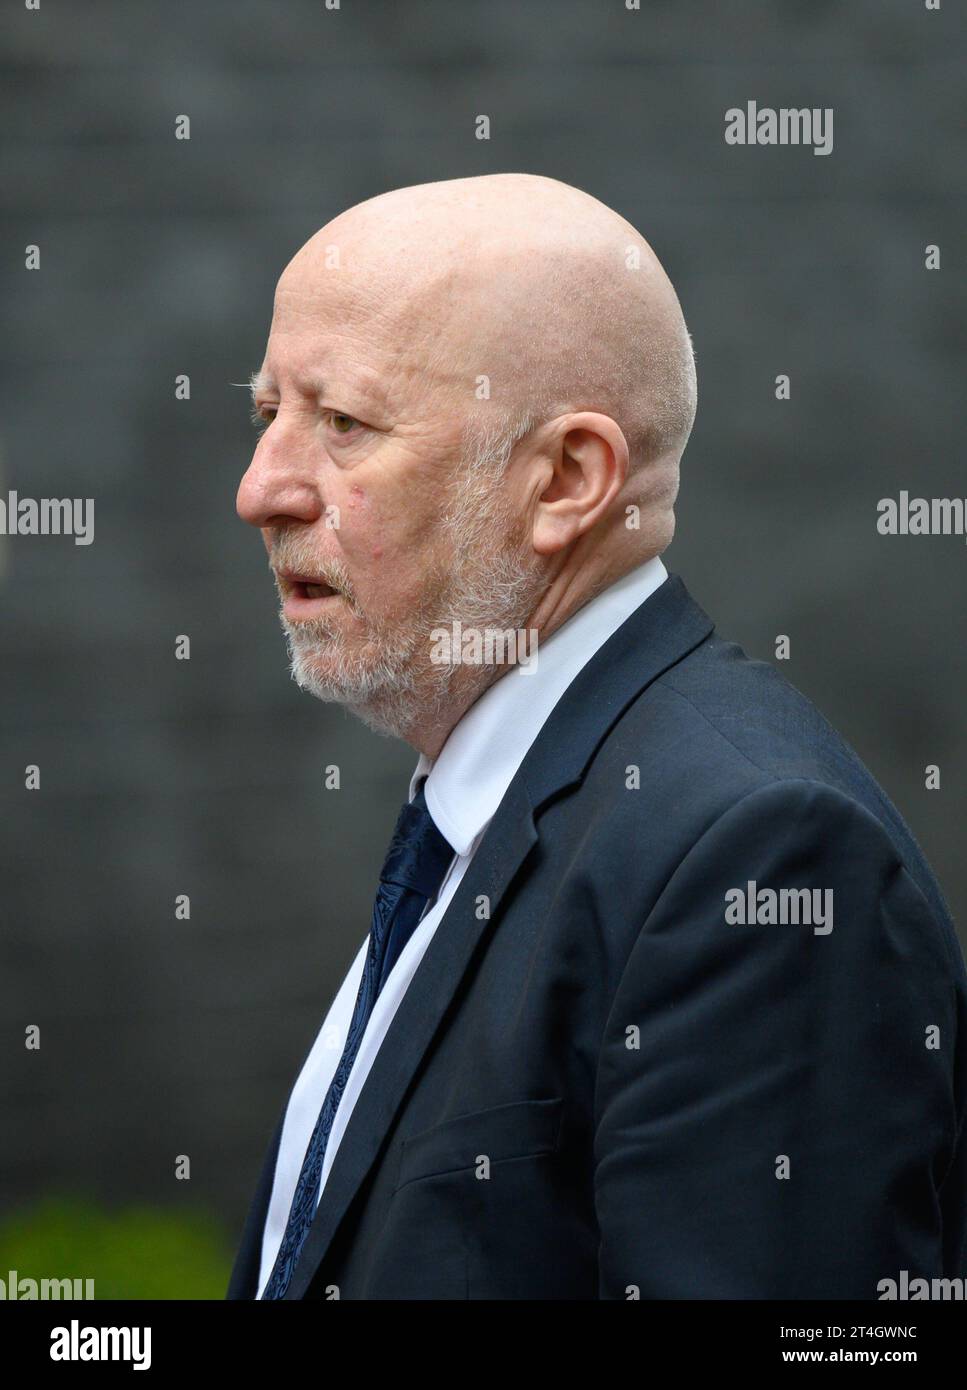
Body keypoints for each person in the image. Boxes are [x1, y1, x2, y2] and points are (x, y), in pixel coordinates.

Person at [228, 173, 967, 1300]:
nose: (262, 486)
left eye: (342, 423)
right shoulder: (499, 796)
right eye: (265, 411)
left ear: (567, 480)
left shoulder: (753, 855)